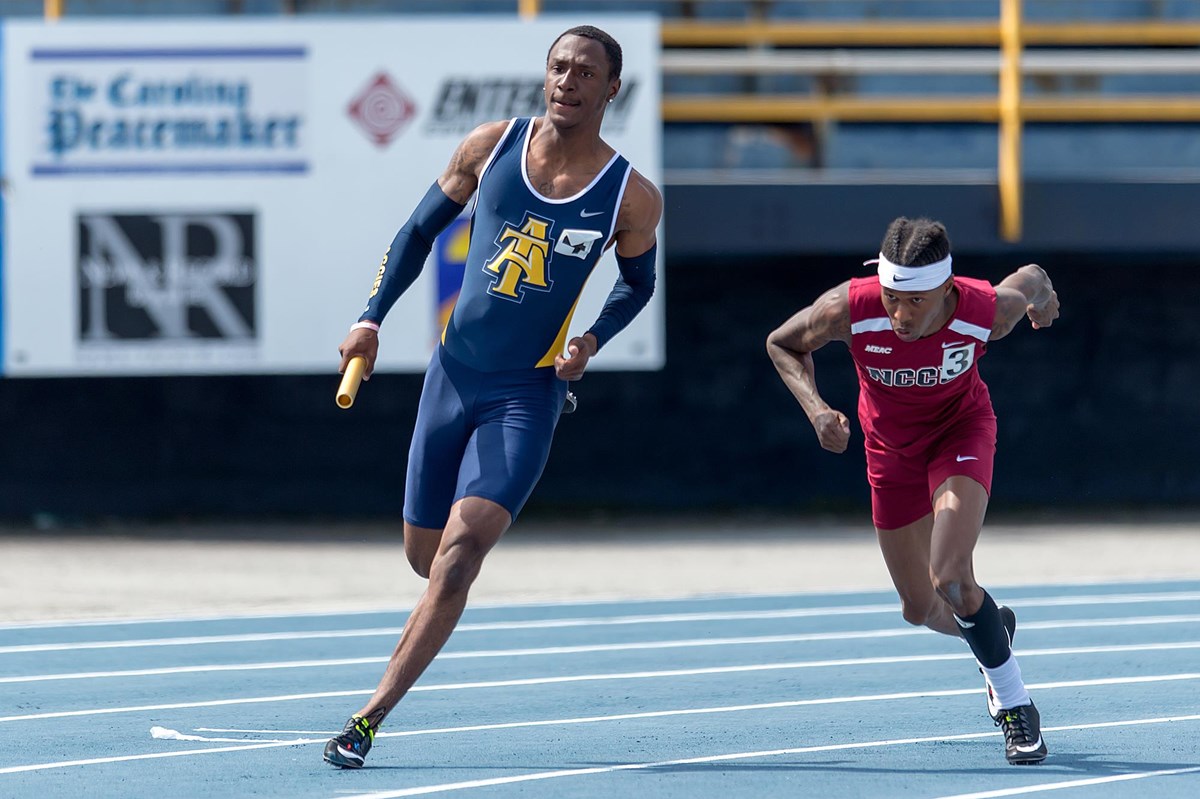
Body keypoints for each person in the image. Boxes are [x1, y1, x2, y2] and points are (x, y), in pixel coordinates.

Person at [323, 25, 661, 769]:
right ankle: (433, 595)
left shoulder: (631, 196)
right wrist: (370, 316)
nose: (567, 80)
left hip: (526, 392)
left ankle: (368, 717)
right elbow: (416, 233)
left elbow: (639, 283)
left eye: (585, 72)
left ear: (612, 89)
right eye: (558, 66)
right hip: (453, 373)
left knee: (460, 556)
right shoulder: (490, 146)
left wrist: (593, 340)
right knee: (423, 555)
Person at [766, 217, 1059, 765]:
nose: (900, 315)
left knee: (950, 576)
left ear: (946, 290)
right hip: (889, 455)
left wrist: (1043, 297)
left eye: (916, 302)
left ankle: (1016, 707)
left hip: (959, 436)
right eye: (892, 297)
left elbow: (1032, 278)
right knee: (920, 608)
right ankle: (992, 630)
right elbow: (781, 344)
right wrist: (817, 411)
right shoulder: (846, 309)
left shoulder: (985, 312)